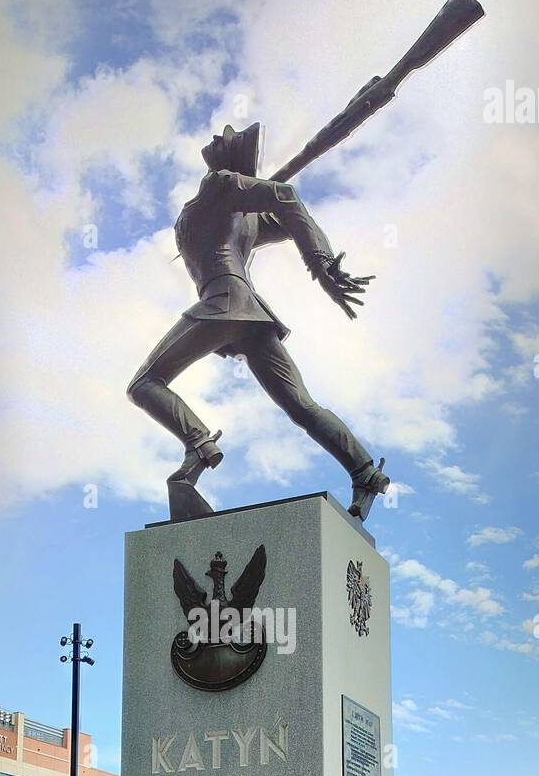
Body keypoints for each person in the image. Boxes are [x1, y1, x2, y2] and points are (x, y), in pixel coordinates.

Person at [127, 122, 390, 523]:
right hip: (249, 315)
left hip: (224, 303)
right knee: (301, 406)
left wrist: (320, 264)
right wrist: (266, 203)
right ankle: (362, 469)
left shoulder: (218, 184)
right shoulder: (240, 213)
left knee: (144, 384)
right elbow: (285, 211)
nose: (214, 143)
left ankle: (197, 441)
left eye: (224, 142)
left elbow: (285, 198)